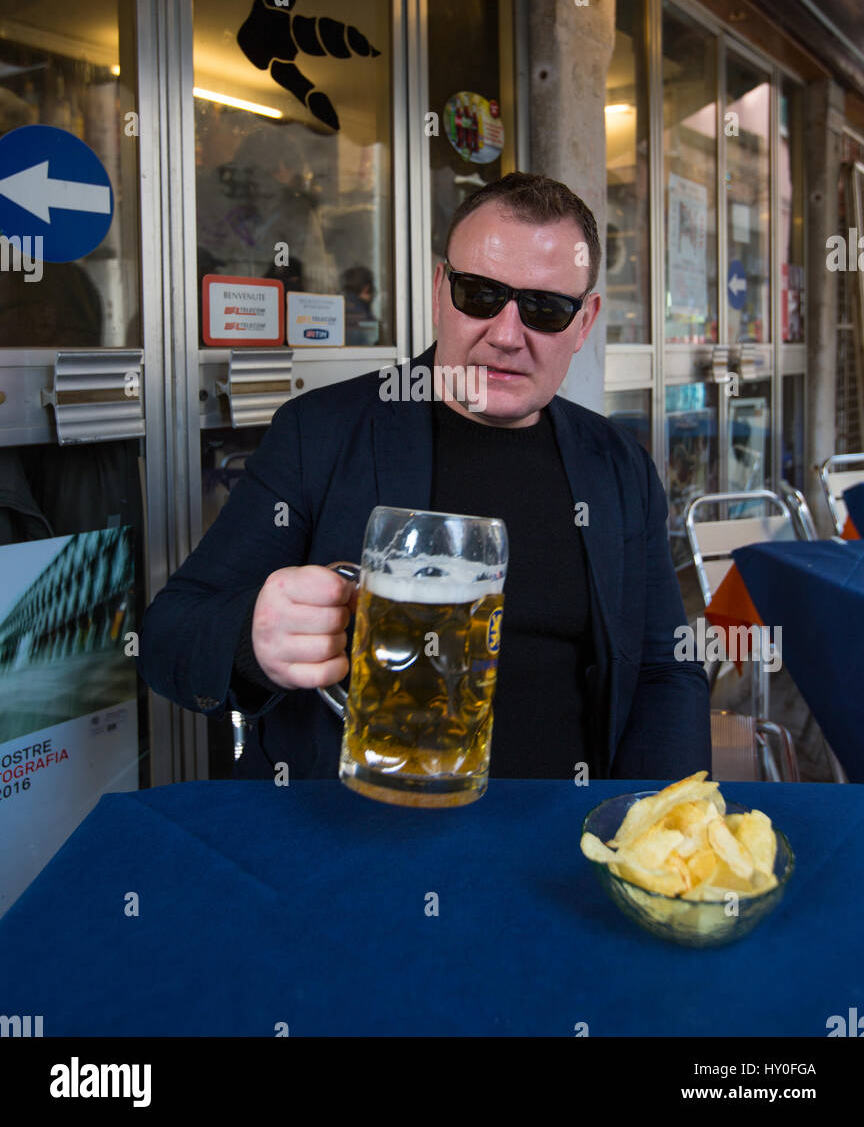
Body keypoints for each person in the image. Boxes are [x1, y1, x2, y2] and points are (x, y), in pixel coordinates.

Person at [138, 171, 711, 781]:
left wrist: (661, 824)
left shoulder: (619, 465)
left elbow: (663, 667)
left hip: (560, 843)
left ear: (585, 321)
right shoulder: (322, 434)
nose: (507, 336)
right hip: (360, 840)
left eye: (545, 309)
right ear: (440, 289)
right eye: (480, 295)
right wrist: (251, 636)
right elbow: (168, 635)